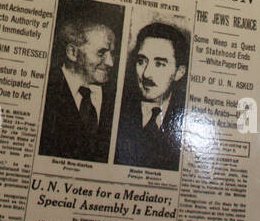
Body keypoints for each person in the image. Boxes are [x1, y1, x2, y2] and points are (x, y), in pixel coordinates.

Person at [38, 12, 118, 162]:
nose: (110, 63)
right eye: (101, 53)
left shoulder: (116, 96)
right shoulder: (44, 89)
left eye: (112, 54)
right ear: (72, 52)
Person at [114, 22, 188, 171]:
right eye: (141, 61)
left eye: (160, 64)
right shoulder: (115, 108)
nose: (146, 74)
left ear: (179, 72)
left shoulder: (186, 112)